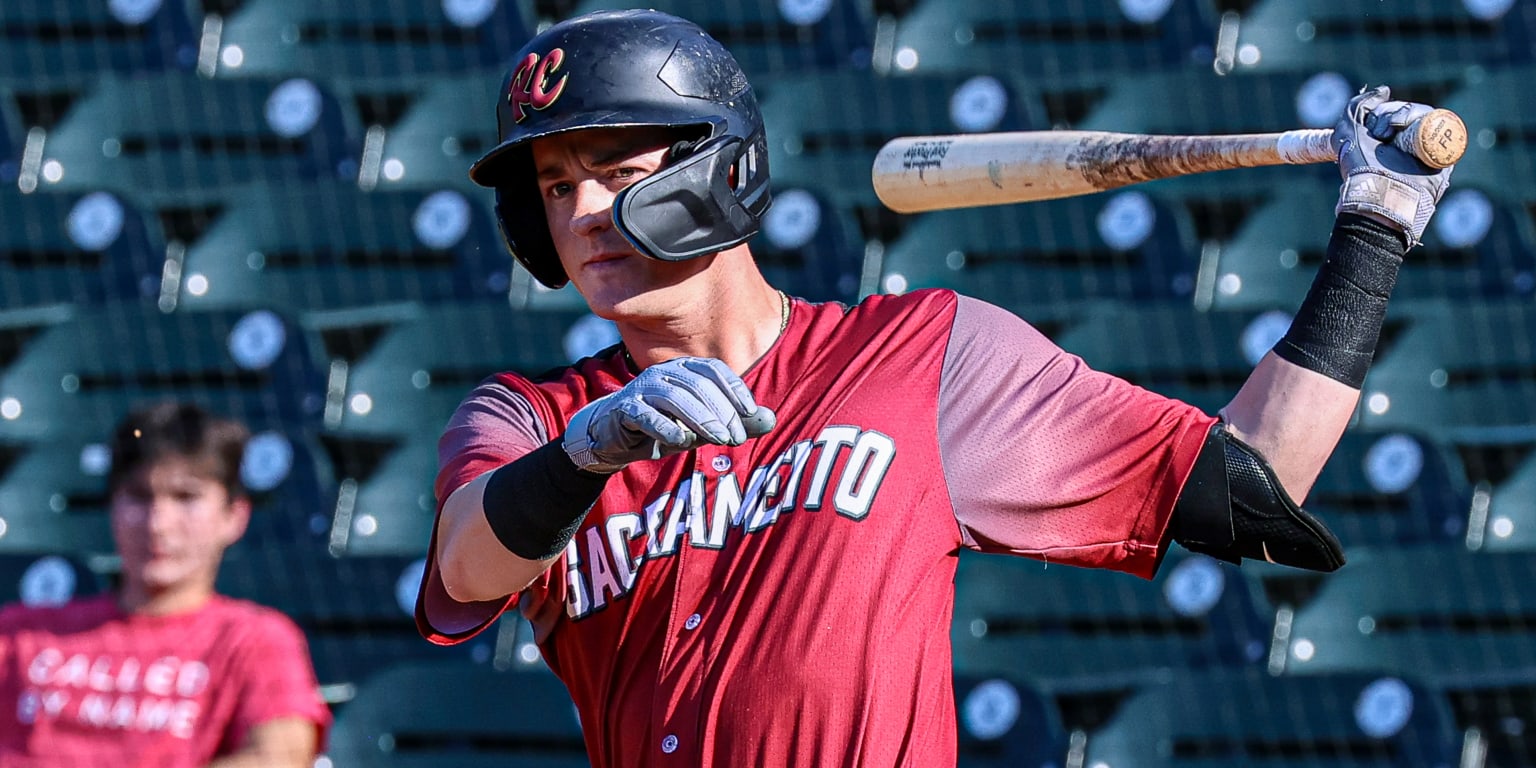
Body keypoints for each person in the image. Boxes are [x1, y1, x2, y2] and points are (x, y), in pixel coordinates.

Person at [414, 9, 1455, 767]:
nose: (583, 210)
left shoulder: (924, 356)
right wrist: (587, 454)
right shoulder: (531, 419)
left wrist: (1373, 232)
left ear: (711, 169)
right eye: (555, 186)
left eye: (615, 168)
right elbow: (467, 571)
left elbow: (1254, 481)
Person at [0, 402, 331, 767]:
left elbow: (280, 757)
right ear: (113, 507)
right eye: (139, 496)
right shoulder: (19, 633)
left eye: (186, 497)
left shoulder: (253, 640)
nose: (158, 523)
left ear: (234, 516)